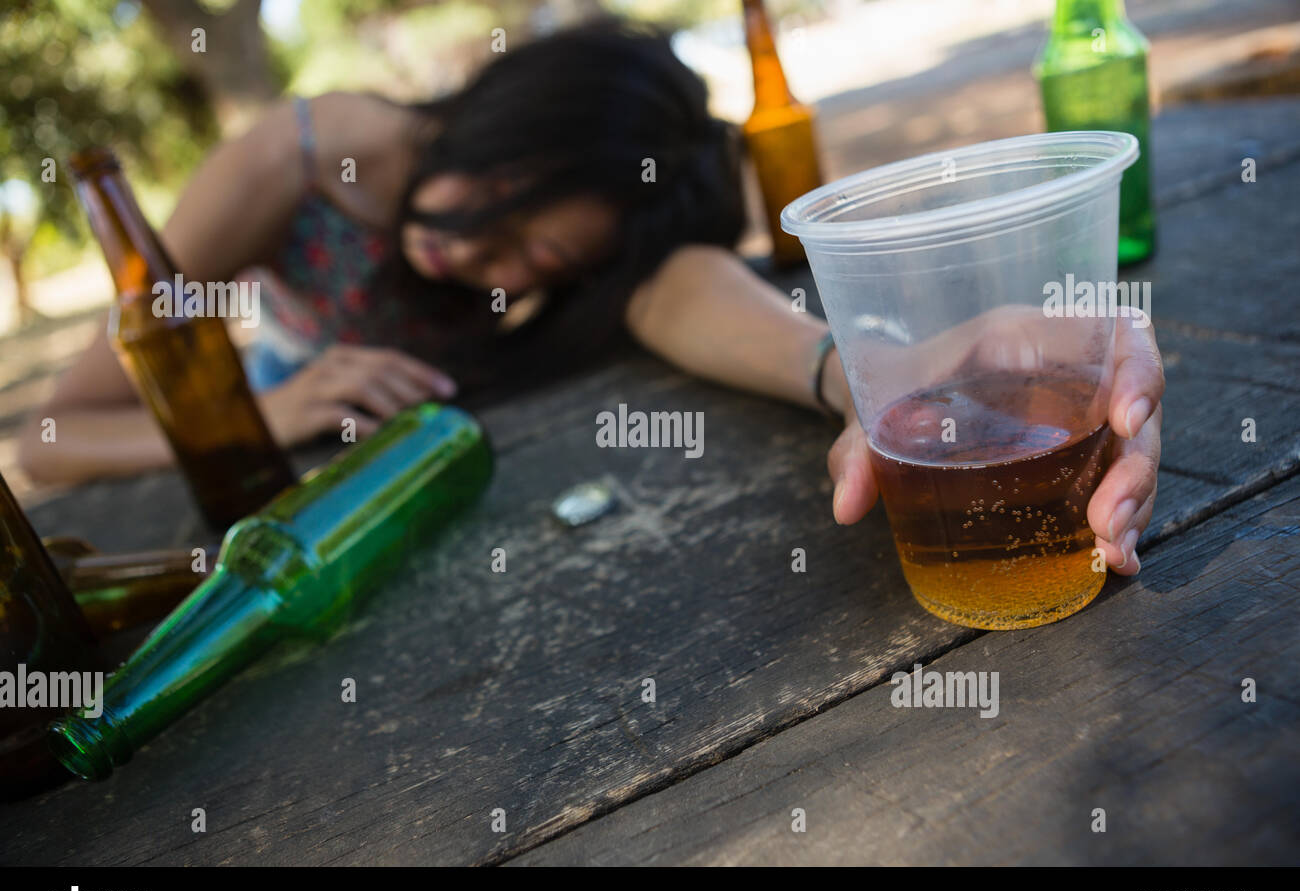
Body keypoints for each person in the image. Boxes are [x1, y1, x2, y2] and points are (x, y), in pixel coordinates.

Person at [17, 18, 1162, 575]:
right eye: (511, 212)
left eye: (549, 270)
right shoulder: (302, 155)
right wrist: (277, 407)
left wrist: (871, 373)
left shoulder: (606, 257)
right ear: (513, 118)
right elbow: (51, 443)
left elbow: (678, 290)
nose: (498, 268)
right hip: (264, 450)